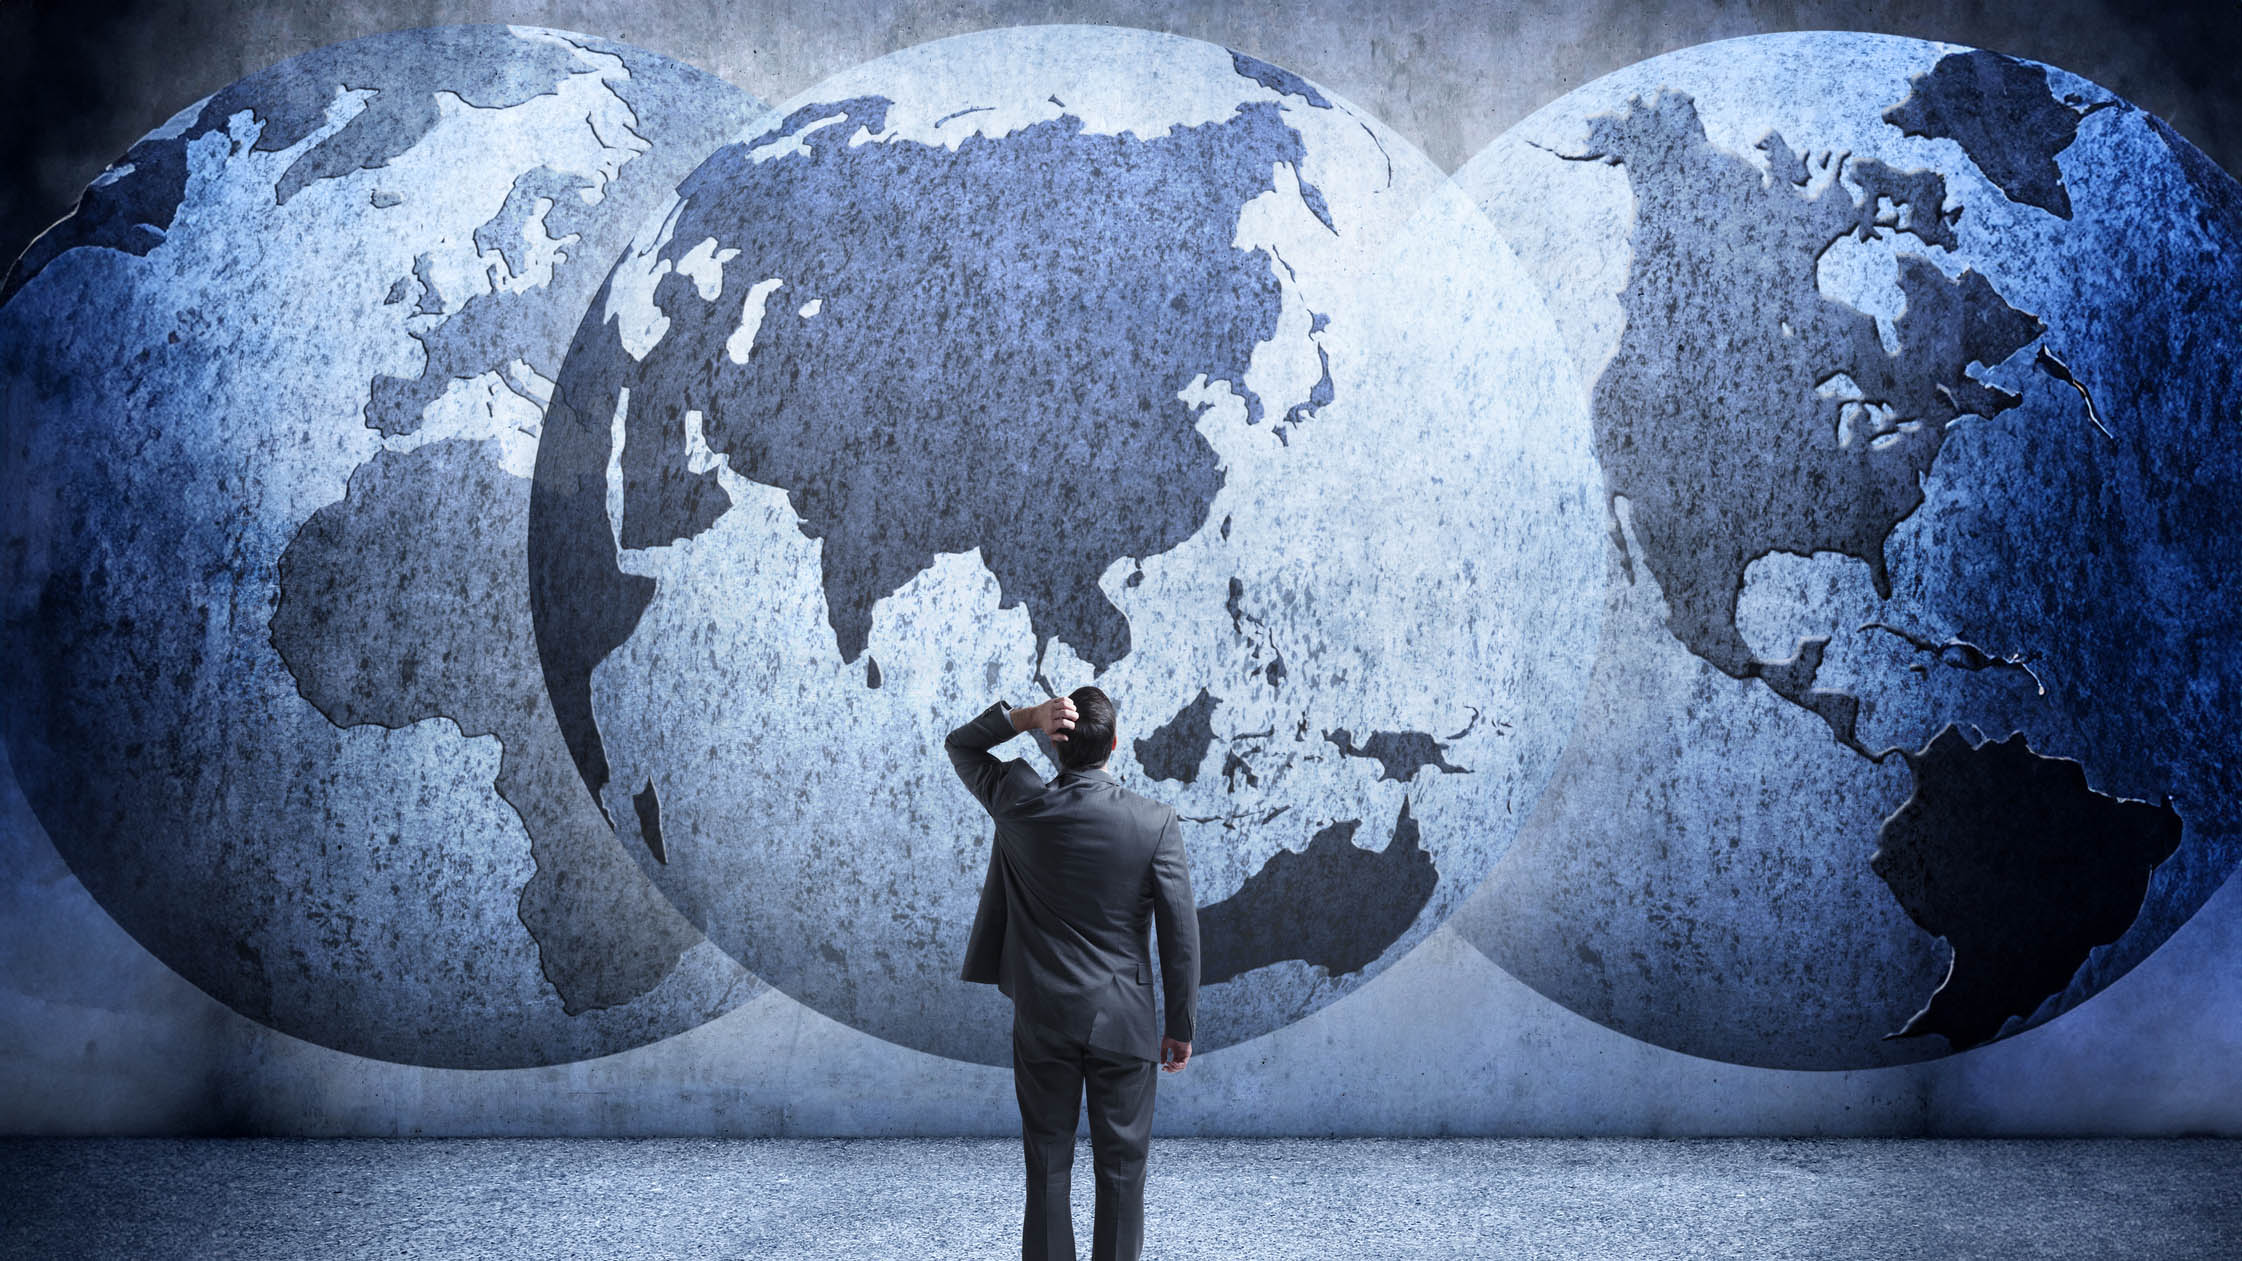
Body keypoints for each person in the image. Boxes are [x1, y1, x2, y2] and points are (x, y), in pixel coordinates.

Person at [946, 687, 1199, 1261]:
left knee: (1048, 1166)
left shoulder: (1018, 801)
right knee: (1121, 1173)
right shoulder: (1154, 823)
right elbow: (1180, 935)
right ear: (1115, 745)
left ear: (1053, 746)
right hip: (1125, 1019)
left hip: (1044, 1017)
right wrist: (1179, 1024)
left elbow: (961, 746)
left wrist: (1025, 718)